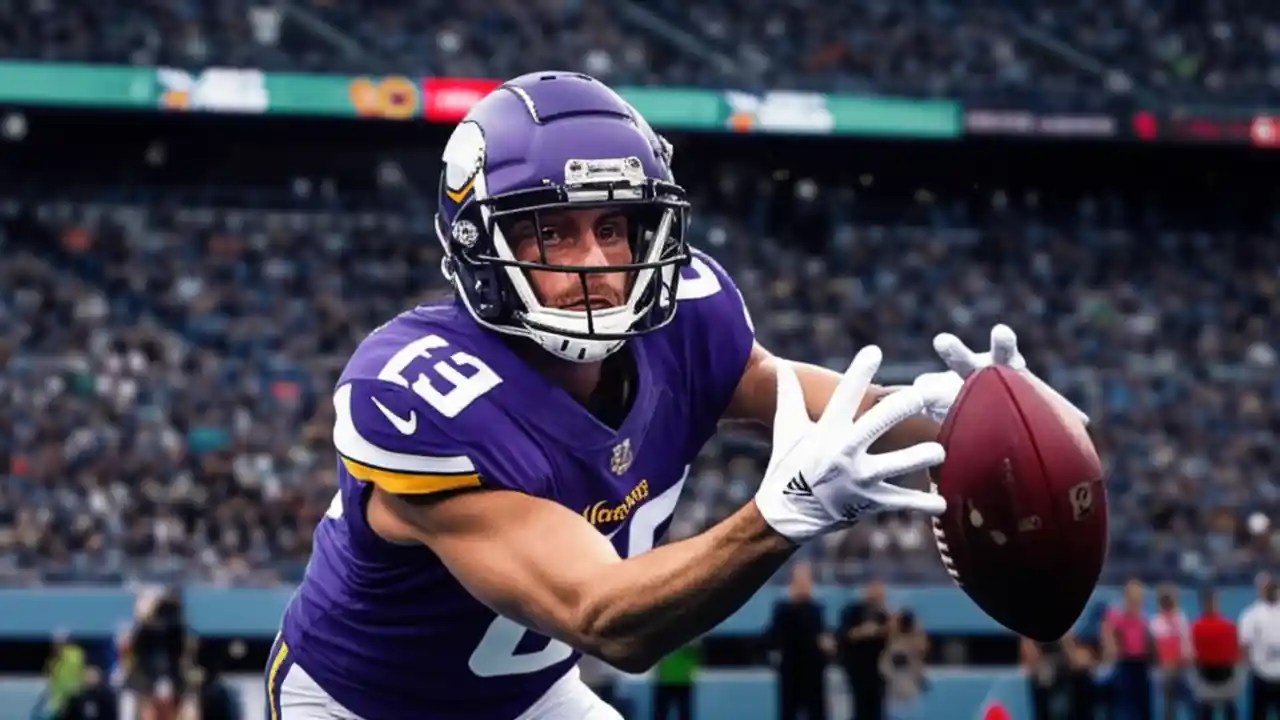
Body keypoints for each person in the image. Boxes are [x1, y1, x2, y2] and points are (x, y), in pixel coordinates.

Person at [263, 70, 1082, 719]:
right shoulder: (419, 394)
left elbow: (818, 405)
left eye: (613, 227)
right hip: (364, 705)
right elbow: (605, 618)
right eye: (551, 231)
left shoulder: (689, 323)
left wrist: (985, 416)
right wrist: (779, 516)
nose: (594, 261)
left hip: (524, 698)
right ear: (480, 242)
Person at [767, 561, 830, 720]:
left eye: (807, 580)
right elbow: (772, 637)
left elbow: (821, 636)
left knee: (816, 711)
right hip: (791, 669)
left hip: (814, 670)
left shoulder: (816, 609)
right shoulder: (783, 609)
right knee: (789, 711)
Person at [839, 582, 891, 720]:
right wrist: (865, 631)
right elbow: (845, 635)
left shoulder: (884, 614)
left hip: (879, 669)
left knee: (877, 708)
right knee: (860, 706)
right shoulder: (853, 610)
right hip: (858, 668)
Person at [1190, 588, 1241, 720]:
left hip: (1205, 680)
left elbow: (1193, 654)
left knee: (1204, 708)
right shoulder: (1229, 626)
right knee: (1230, 706)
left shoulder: (1195, 627)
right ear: (1216, 604)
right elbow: (1235, 654)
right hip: (1227, 680)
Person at [1107, 579, 1154, 720]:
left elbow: (1150, 645)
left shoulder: (1145, 620)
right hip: (1125, 662)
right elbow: (1110, 637)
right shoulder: (1117, 617)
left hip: (1142, 663)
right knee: (1126, 706)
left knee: (1143, 706)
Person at [1239, 574, 1280, 720]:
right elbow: (1245, 645)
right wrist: (1251, 668)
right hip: (1261, 675)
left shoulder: (1250, 614)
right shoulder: (1251, 615)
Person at [1150, 584, 1193, 720]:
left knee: (1173, 706)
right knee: (1173, 706)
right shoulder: (1176, 619)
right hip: (1171, 669)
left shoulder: (1158, 622)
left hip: (1175, 668)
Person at [879, 610, 928, 720]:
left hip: (911, 682)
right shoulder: (893, 638)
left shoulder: (916, 639)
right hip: (893, 682)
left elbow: (922, 649)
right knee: (893, 713)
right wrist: (894, 625)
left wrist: (917, 629)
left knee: (911, 713)